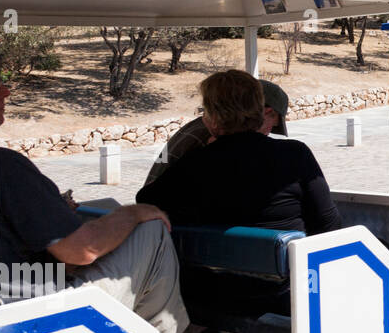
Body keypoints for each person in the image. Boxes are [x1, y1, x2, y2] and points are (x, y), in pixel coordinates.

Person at [0, 53, 205, 333]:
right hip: (21, 332)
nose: (6, 92)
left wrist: (53, 211)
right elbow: (81, 252)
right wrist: (133, 213)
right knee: (152, 229)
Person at [139, 69, 340, 235]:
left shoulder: (195, 163)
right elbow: (328, 224)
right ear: (259, 109)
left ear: (212, 117)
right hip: (287, 278)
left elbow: (146, 201)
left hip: (209, 279)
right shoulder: (295, 154)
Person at [144, 79, 291, 186]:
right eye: (272, 127)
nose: (268, 134)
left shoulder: (201, 127)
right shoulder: (212, 137)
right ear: (266, 112)